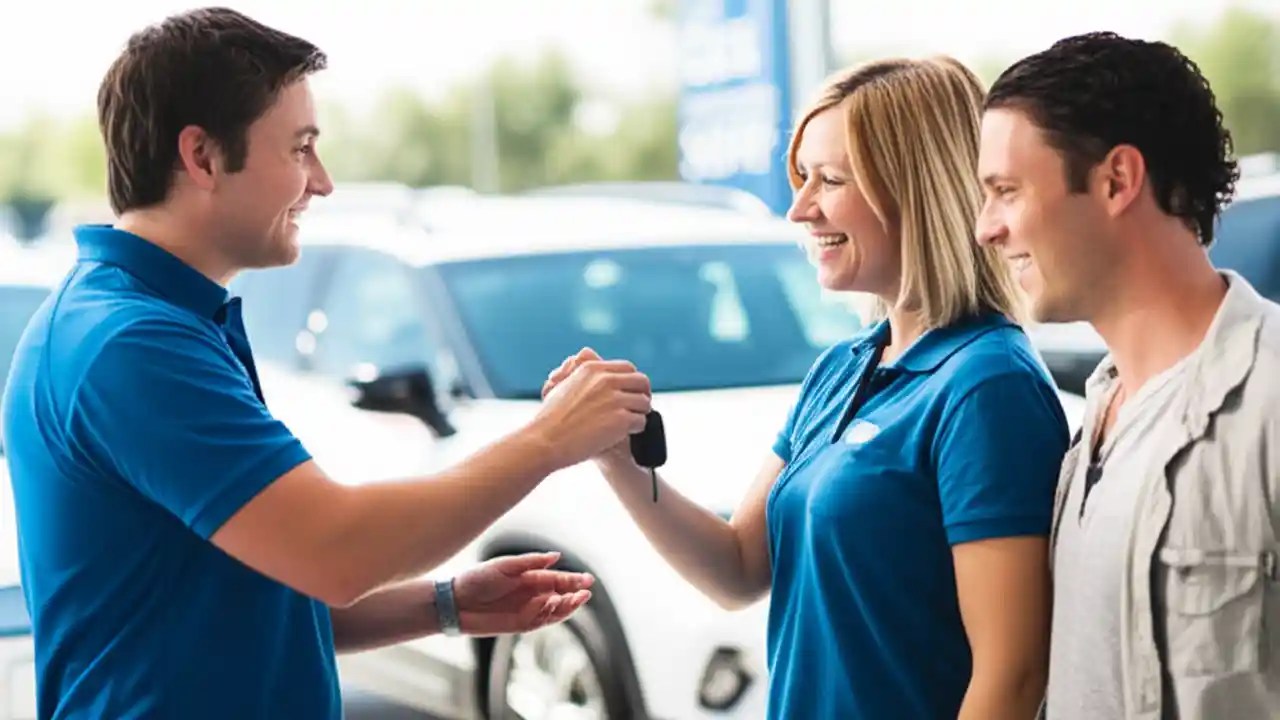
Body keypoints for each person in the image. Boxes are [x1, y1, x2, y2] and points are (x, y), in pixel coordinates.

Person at [0, 8, 653, 719]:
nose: (323, 182)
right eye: (301, 148)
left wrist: (445, 605)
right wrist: (551, 437)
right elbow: (337, 551)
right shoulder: (127, 343)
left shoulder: (158, 319)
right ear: (204, 157)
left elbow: (253, 589)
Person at [544, 57, 1069, 719]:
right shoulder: (844, 368)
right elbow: (737, 569)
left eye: (829, 180)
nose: (799, 209)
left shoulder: (986, 384)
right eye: (801, 179)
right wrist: (617, 461)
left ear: (914, 186)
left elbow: (1014, 675)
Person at [976, 31, 1280, 720]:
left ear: (1117, 180)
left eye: (1006, 191)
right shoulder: (1097, 421)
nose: (985, 228)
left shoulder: (1269, 400)